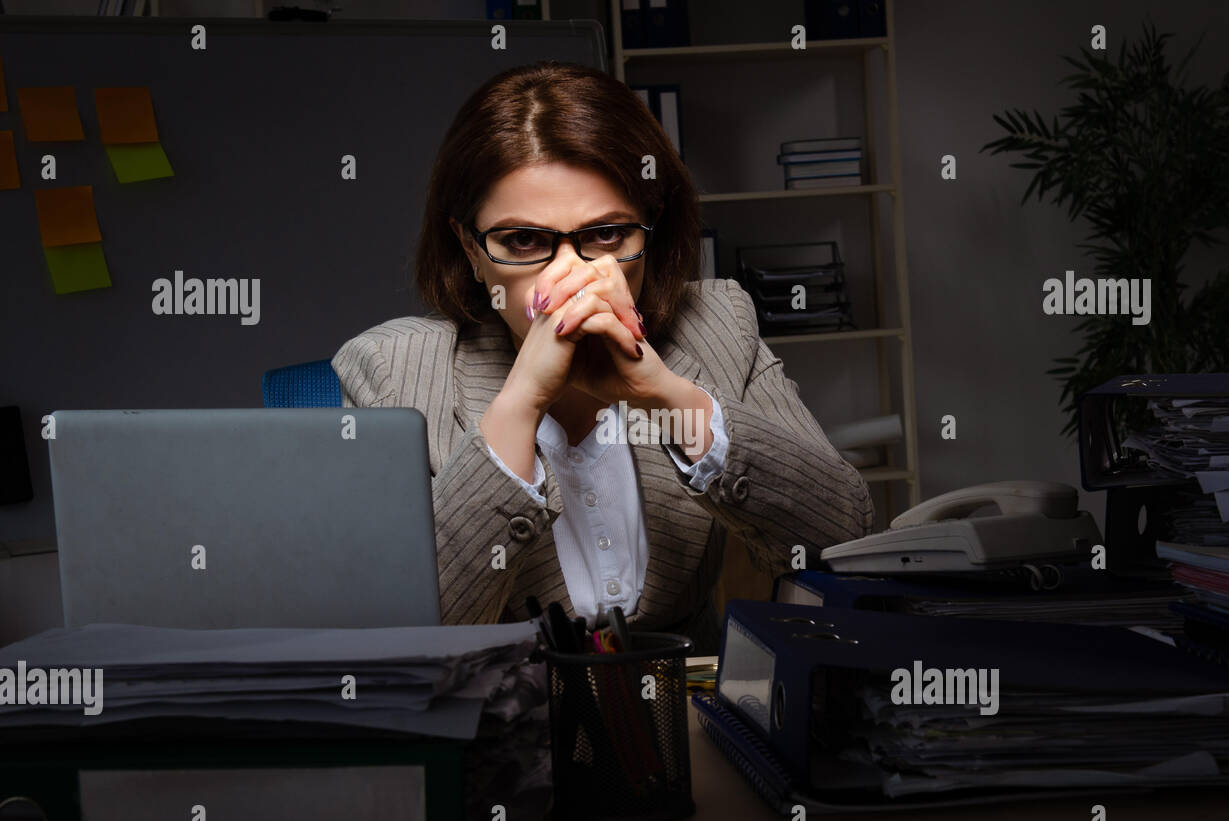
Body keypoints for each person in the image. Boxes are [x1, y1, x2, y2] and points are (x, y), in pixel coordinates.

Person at [332, 61, 872, 652]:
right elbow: (399, 640)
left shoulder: (718, 324)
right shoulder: (389, 368)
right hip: (503, 731)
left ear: (652, 231)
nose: (571, 276)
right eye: (524, 241)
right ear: (470, 247)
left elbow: (843, 540)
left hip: (677, 719)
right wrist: (519, 406)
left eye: (608, 235)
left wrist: (667, 397)